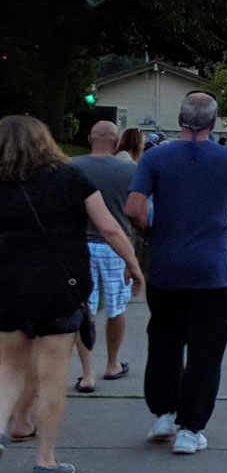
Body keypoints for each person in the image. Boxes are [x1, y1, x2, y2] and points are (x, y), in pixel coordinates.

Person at [0, 115, 143, 473]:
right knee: (52, 376)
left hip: (9, 289)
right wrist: (133, 264)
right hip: (61, 288)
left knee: (9, 368)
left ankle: (3, 427)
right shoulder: (71, 177)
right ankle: (45, 460)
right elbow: (109, 226)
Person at [124, 92, 227, 455]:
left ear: (180, 120)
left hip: (166, 268)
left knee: (164, 341)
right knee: (206, 351)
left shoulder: (156, 156)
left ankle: (163, 413)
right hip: (212, 270)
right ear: (213, 122)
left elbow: (133, 207)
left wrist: (150, 232)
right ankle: (191, 430)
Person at [71, 121, 139, 391]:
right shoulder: (130, 170)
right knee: (116, 307)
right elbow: (136, 211)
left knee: (83, 309)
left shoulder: (70, 167)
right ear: (116, 141)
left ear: (89, 138)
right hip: (116, 245)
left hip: (79, 245)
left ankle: (87, 373)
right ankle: (112, 364)